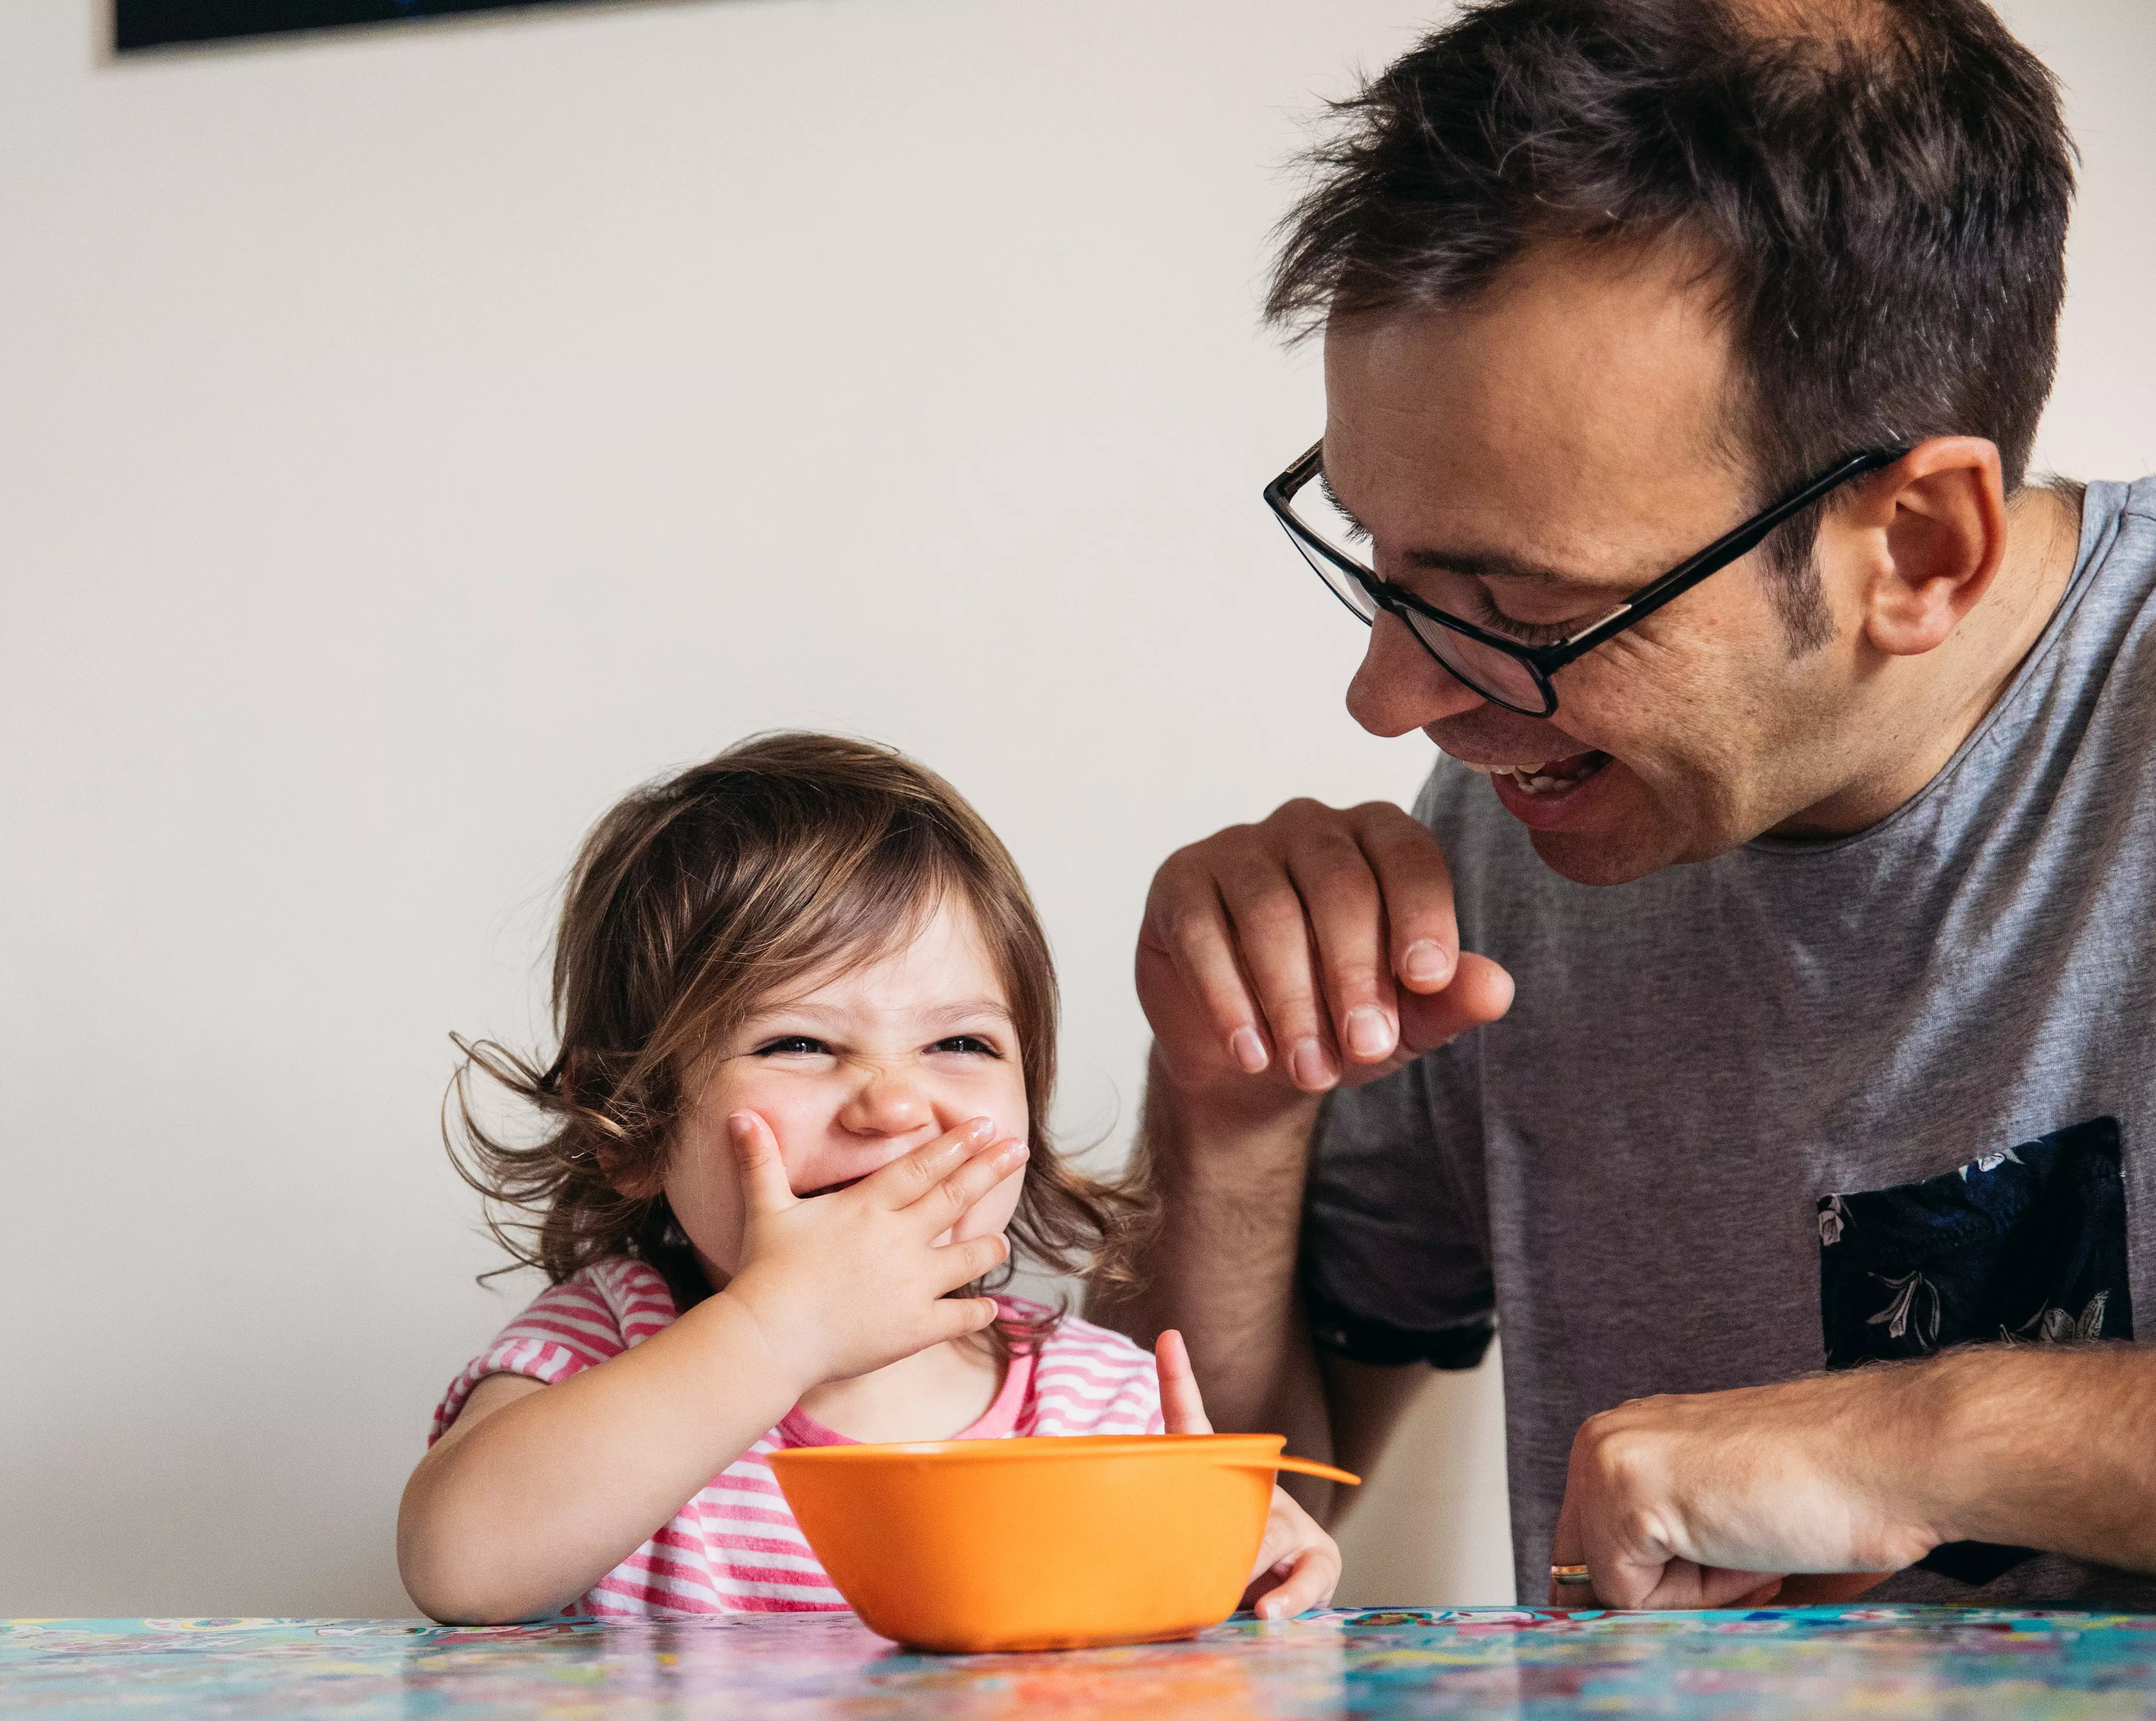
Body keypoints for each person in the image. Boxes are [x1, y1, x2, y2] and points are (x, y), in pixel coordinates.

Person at [1099, 0, 2156, 1611]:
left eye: (1521, 602)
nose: (1391, 701)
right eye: (1383, 562)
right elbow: (1183, 1556)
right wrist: (1232, 1120)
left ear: (1922, 549)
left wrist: (1933, 1429)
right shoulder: (1517, 820)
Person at [401, 733, 1340, 1626]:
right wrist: (780, 1327)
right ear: (631, 1125)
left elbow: (1163, 1694)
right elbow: (460, 1565)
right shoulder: (605, 1341)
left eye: (961, 1043)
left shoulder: (1095, 1401)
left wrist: (1231, 1560)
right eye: (798, 1043)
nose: (894, 1106)